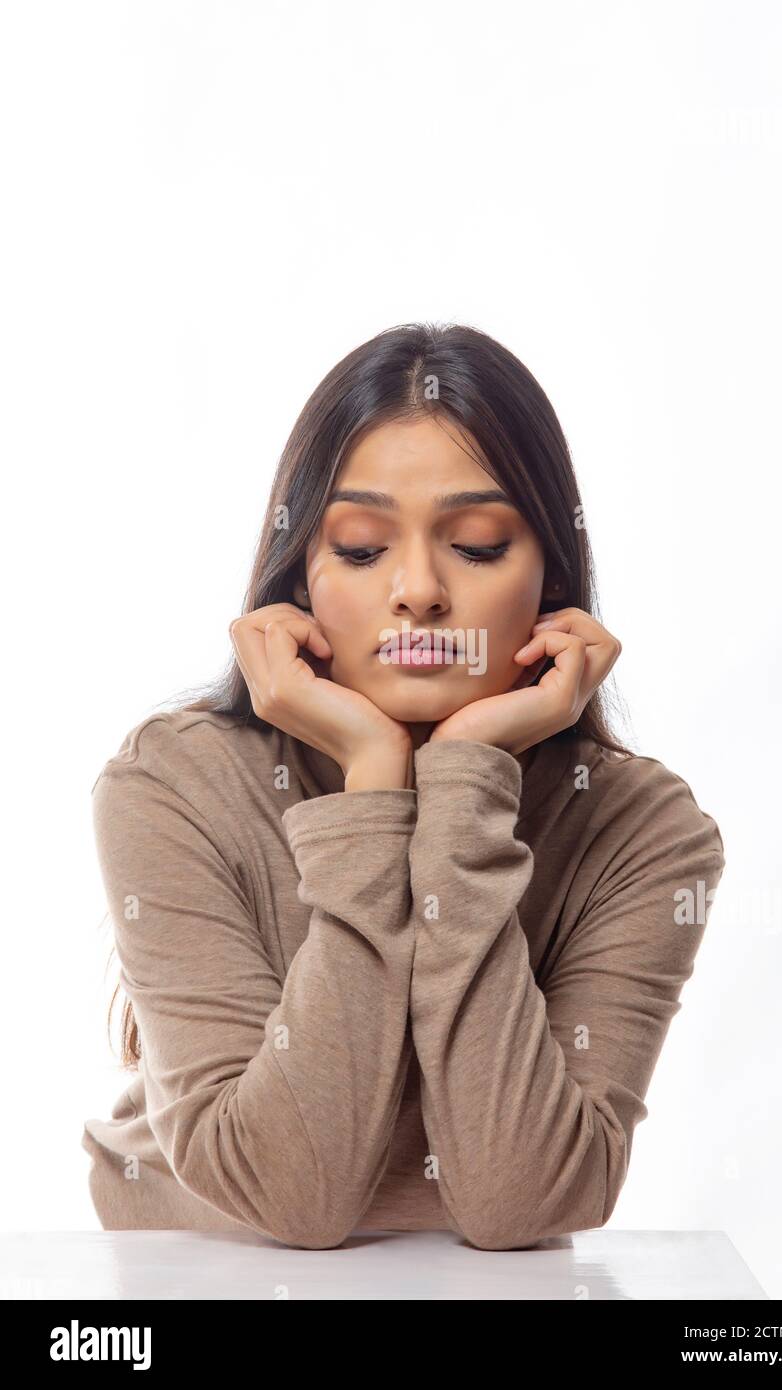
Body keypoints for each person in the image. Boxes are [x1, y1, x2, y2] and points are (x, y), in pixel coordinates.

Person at [82, 321, 725, 1251]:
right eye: (359, 547)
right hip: (186, 1273)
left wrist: (465, 776)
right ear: (298, 574)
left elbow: (527, 1201)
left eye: (474, 545)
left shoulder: (646, 830)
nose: (419, 591)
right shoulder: (172, 784)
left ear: (552, 581)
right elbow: (290, 1196)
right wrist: (375, 787)